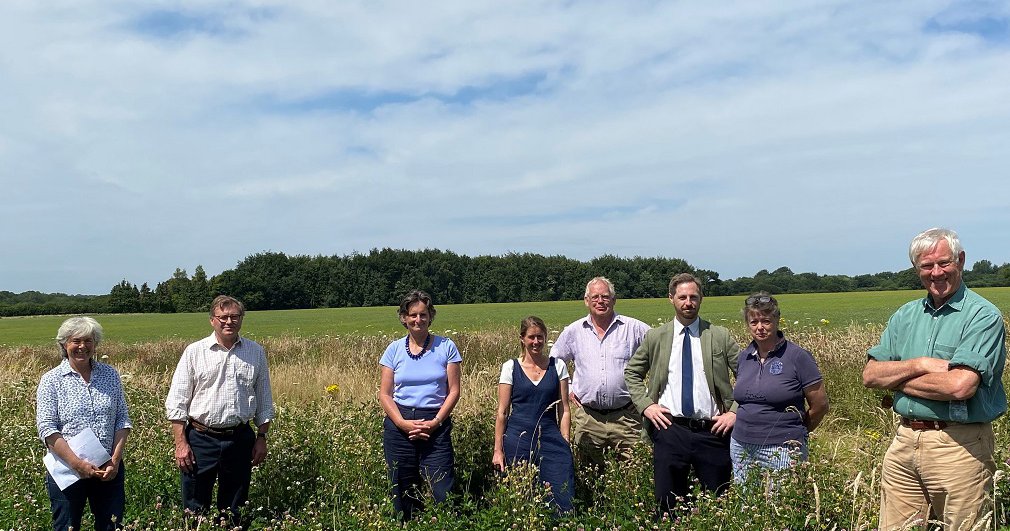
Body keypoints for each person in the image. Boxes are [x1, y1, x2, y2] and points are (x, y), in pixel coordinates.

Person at [863, 228, 1007, 530]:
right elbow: (871, 375)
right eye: (927, 266)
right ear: (917, 269)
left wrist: (898, 378)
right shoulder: (905, 315)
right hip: (904, 441)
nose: (936, 272)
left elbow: (960, 385)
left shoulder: (982, 316)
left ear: (961, 260)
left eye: (944, 263)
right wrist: (922, 364)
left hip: (959, 444)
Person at [624, 273, 739, 514]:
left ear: (701, 299)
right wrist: (646, 405)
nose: (688, 302)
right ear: (671, 299)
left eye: (693, 297)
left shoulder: (719, 335)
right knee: (668, 505)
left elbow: (749, 378)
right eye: (682, 297)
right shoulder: (656, 337)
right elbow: (632, 373)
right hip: (670, 430)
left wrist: (735, 412)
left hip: (713, 431)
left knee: (717, 504)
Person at [165, 295, 275, 526]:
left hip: (239, 439)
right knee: (194, 507)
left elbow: (265, 399)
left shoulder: (255, 352)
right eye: (223, 317)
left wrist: (262, 436)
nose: (229, 322)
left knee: (235, 507)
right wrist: (181, 443)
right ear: (212, 320)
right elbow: (177, 401)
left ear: (242, 319)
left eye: (235, 316)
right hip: (200, 438)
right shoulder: (194, 352)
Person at [36, 316, 132, 530]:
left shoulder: (110, 374)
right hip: (67, 471)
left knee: (111, 526)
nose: (82, 347)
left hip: (108, 470)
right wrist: (77, 465)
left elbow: (122, 419)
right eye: (75, 341)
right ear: (64, 344)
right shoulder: (51, 380)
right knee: (67, 527)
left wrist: (115, 461)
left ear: (95, 343)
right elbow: (47, 429)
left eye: (88, 340)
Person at [378, 290, 462, 522]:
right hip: (399, 424)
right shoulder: (393, 349)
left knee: (441, 487)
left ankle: (443, 524)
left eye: (423, 314)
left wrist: (435, 422)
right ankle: (407, 524)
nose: (418, 320)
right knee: (402, 488)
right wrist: (402, 423)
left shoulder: (446, 347)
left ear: (430, 316)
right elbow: (384, 394)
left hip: (436, 424)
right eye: (413, 315)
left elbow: (454, 391)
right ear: (404, 317)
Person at [730, 292, 828, 484]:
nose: (760, 328)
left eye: (766, 321)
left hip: (782, 448)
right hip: (741, 445)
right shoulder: (744, 357)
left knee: (783, 508)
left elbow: (820, 405)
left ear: (776, 320)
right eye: (753, 322)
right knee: (746, 506)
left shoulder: (797, 357)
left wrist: (797, 432)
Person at [552, 277, 650, 466]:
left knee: (635, 472)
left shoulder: (634, 328)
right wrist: (569, 388)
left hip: (627, 418)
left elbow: (661, 357)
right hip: (588, 418)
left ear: (614, 300)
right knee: (588, 471)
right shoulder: (574, 331)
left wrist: (646, 396)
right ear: (586, 301)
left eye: (605, 296)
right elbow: (555, 362)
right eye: (595, 297)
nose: (600, 301)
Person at [493, 316, 576, 513]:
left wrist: (565, 441)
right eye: (531, 337)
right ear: (522, 338)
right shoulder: (511, 367)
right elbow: (502, 412)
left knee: (561, 495)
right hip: (517, 439)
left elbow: (564, 408)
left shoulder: (558, 366)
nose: (536, 342)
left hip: (551, 438)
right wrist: (498, 450)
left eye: (540, 337)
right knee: (521, 497)